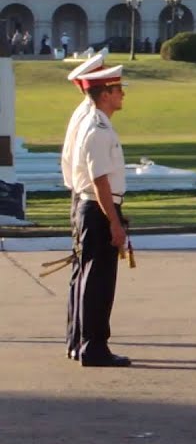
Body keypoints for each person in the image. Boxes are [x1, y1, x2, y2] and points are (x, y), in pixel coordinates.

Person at [69, 65, 131, 367]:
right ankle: (93, 346)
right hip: (98, 209)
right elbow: (100, 181)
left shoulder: (100, 125)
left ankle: (88, 343)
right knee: (98, 281)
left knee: (95, 279)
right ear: (105, 94)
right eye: (118, 89)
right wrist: (114, 223)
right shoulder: (98, 130)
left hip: (98, 207)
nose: (122, 94)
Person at [59, 53, 105, 361]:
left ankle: (75, 340)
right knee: (92, 275)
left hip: (78, 194)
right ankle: (86, 342)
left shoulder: (82, 113)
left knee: (81, 272)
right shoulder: (91, 116)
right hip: (88, 197)